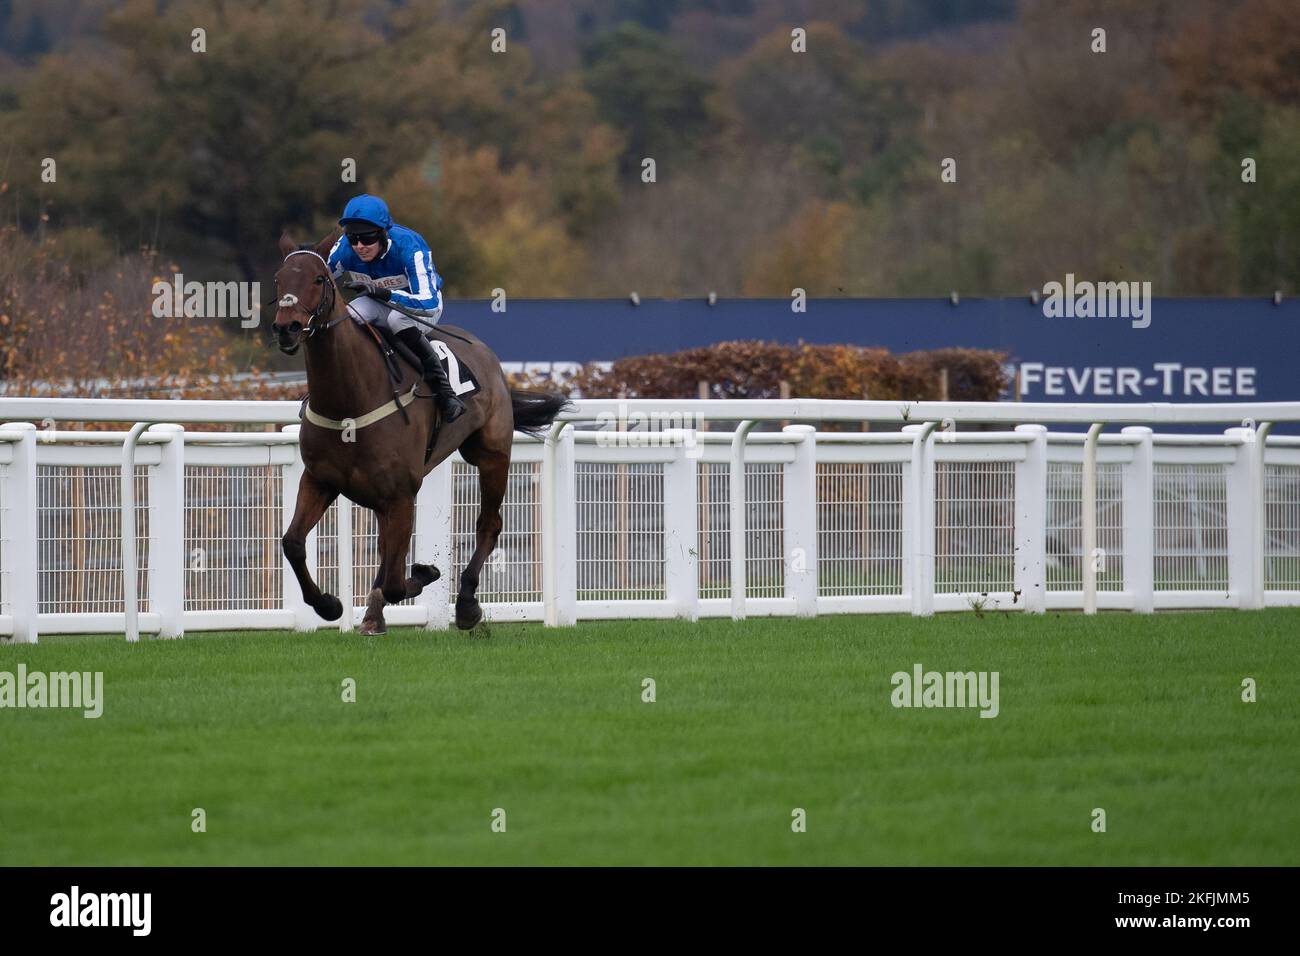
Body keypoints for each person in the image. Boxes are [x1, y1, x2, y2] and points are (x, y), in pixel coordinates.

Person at [327, 194, 466, 423]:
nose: (360, 246)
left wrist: (383, 292)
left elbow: (428, 301)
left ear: (383, 233)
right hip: (378, 302)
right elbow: (319, 277)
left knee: (397, 321)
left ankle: (445, 392)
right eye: (353, 238)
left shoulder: (410, 246)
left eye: (367, 238)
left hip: (420, 309)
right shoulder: (344, 249)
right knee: (348, 316)